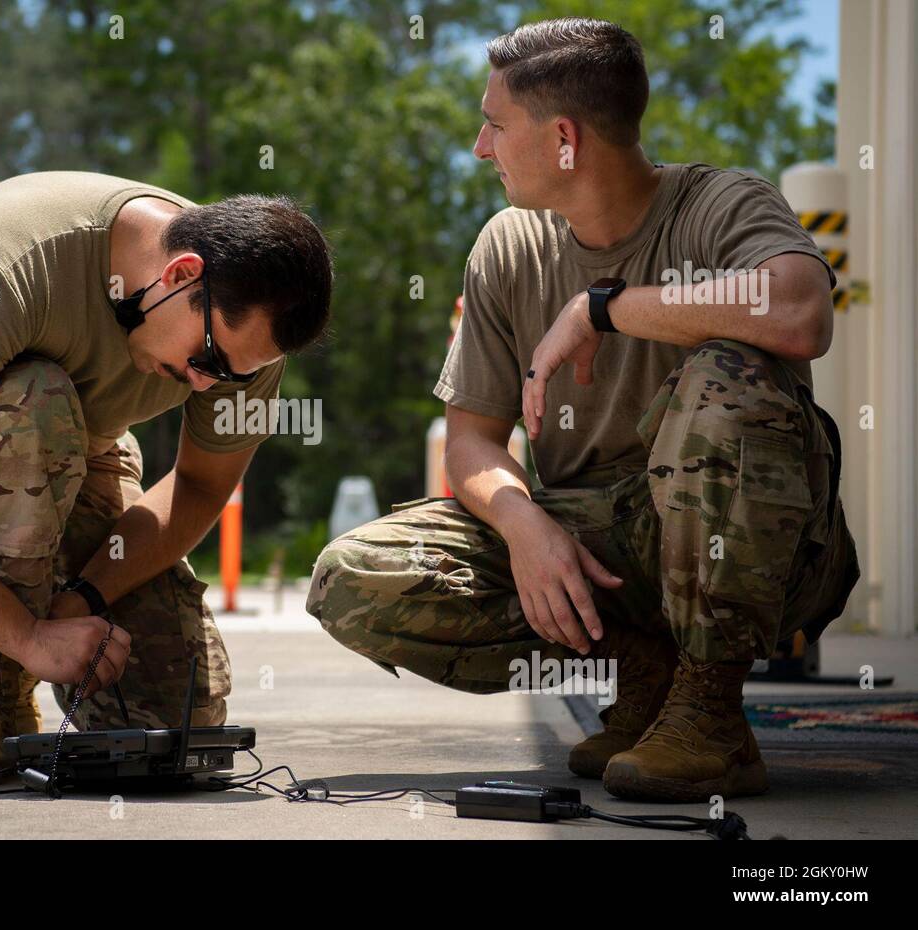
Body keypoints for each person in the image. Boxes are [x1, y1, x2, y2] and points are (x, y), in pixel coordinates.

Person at [306, 18, 858, 801]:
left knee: (723, 378)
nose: (479, 147)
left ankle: (709, 710)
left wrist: (606, 308)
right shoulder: (509, 245)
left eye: (496, 125)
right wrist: (523, 525)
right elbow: (470, 443)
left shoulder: (721, 204)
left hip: (767, 553)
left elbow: (802, 313)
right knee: (355, 575)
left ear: (564, 139)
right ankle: (647, 669)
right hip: (599, 546)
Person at [0, 171, 332, 786]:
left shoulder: (247, 337)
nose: (208, 385)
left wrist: (84, 599)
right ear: (180, 276)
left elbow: (199, 486)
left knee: (172, 719)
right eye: (208, 361)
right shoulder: (3, 263)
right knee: (37, 400)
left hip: (83, 444)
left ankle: (31, 665)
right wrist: (28, 639)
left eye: (235, 376)